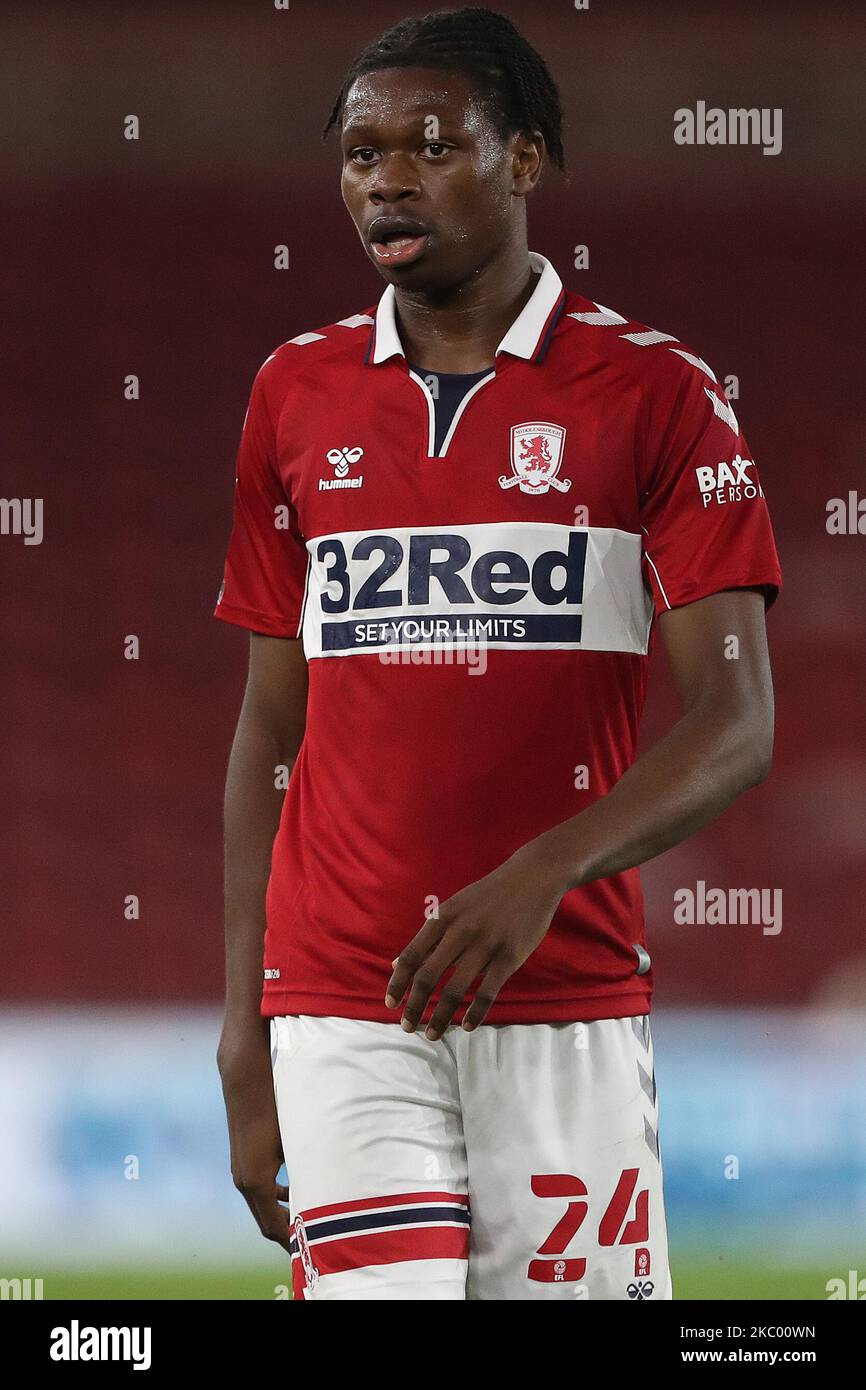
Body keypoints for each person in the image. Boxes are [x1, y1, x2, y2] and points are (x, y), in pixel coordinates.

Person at [214, 7, 782, 1301]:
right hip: (340, 993)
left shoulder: (656, 394)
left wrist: (540, 871)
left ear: (523, 161)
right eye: (361, 153)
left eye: (430, 144)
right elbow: (268, 733)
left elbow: (734, 726)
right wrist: (247, 1027)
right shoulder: (292, 394)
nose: (387, 177)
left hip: (560, 989)